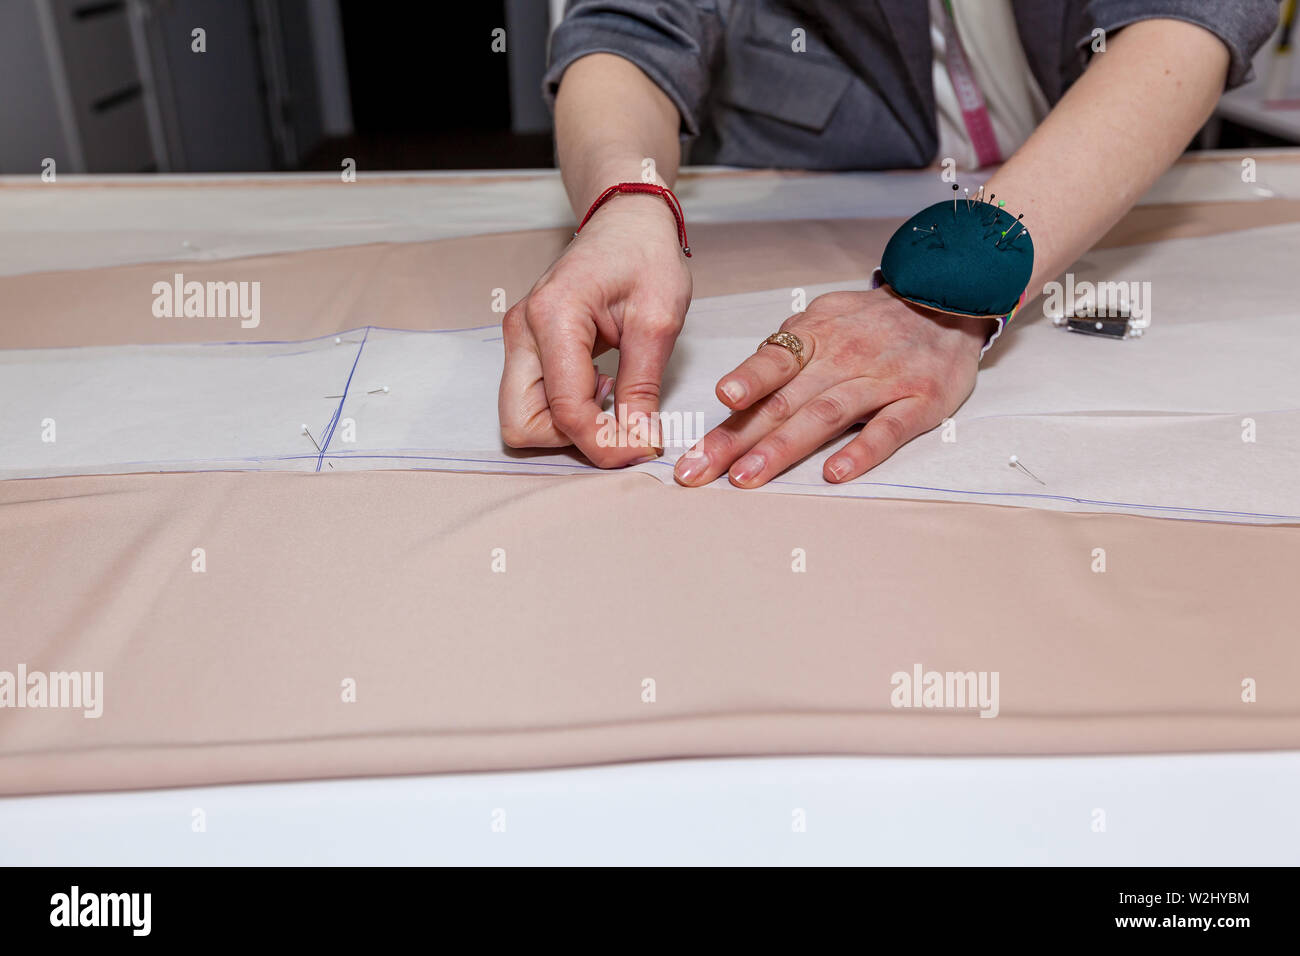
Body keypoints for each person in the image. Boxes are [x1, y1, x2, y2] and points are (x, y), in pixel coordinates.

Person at [497, 0, 1280, 487]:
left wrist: (945, 292)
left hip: (1094, 188)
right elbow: (630, 24)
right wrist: (628, 201)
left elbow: (1190, 15)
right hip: (816, 183)